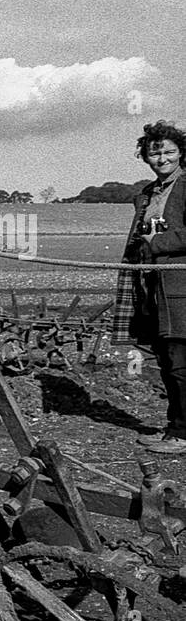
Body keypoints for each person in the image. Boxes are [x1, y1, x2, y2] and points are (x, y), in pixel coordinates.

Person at [116, 119, 186, 453]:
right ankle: (175, 426)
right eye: (155, 154)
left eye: (169, 152)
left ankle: (183, 433)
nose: (162, 159)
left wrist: (155, 243)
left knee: (179, 360)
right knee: (165, 358)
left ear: (181, 153)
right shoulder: (146, 194)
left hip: (181, 287)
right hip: (151, 287)